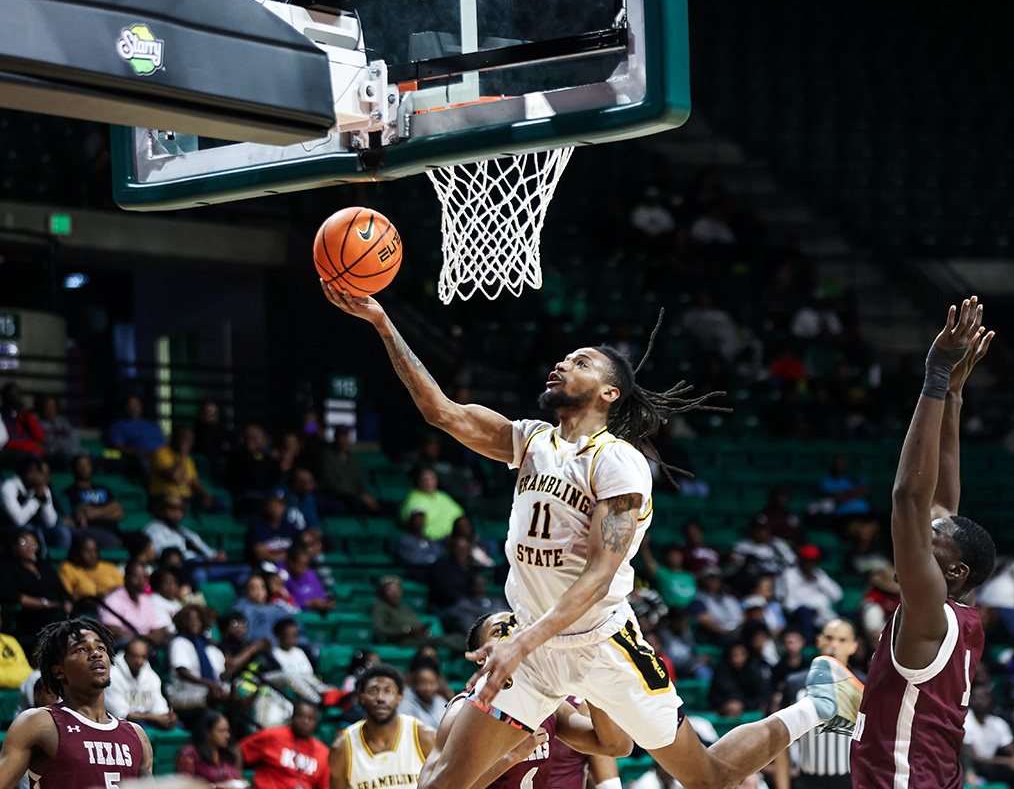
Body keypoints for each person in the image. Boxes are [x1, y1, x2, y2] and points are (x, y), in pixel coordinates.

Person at [323, 286, 862, 789]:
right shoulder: (530, 440)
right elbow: (441, 412)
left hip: (601, 646)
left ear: (609, 392)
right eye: (565, 358)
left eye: (580, 361)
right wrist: (381, 320)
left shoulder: (618, 461)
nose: (562, 362)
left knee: (709, 777)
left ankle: (817, 704)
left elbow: (600, 572)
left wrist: (519, 644)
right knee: (441, 782)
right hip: (532, 646)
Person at [849, 297, 998, 789]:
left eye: (935, 539)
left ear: (953, 572)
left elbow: (909, 497)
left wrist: (935, 376)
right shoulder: (962, 604)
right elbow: (942, 499)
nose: (925, 531)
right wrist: (954, 396)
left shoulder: (927, 614)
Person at [429, 610, 632, 789]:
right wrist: (510, 758)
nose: (512, 635)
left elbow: (616, 746)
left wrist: (589, 677)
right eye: (499, 631)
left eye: (518, 628)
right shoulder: (461, 709)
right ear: (481, 656)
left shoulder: (552, 706)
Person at [0, 617, 153, 789]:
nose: (96, 654)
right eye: (81, 649)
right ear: (59, 671)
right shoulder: (39, 723)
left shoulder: (137, 735)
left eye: (101, 648)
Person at [772, 620, 862, 789]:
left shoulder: (865, 685)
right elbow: (781, 745)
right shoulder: (795, 684)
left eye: (842, 640)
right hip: (808, 781)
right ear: (819, 641)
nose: (834, 645)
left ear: (853, 646)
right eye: (829, 638)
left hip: (851, 783)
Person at [329, 664, 435, 789]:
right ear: (361, 698)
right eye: (373, 691)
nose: (380, 698)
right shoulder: (343, 748)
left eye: (388, 691)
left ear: (399, 697)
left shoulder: (424, 736)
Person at [144, 494, 245, 587]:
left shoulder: (185, 532)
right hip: (187, 568)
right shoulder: (154, 529)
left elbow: (206, 550)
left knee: (244, 571)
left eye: (180, 510)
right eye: (172, 509)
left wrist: (216, 556)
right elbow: (163, 556)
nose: (177, 514)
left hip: (206, 565)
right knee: (198, 573)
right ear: (162, 510)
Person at [0, 531, 73, 636]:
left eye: (33, 544)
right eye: (24, 543)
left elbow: (63, 592)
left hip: (57, 611)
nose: (29, 547)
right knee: (57, 618)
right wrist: (44, 604)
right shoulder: (8, 568)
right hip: (29, 613)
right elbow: (13, 596)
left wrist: (67, 606)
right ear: (14, 547)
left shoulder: (45, 567)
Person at [242, 700, 331, 789]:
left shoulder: (324, 752)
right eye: (301, 716)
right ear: (292, 718)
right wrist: (236, 778)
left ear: (316, 723)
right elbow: (239, 750)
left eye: (310, 718)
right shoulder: (273, 735)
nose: (305, 722)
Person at [103, 637, 178, 730]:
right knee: (139, 726)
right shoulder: (112, 676)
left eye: (143, 657)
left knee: (177, 726)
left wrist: (167, 715)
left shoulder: (150, 675)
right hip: (121, 725)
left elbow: (158, 703)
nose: (139, 661)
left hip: (148, 720)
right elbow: (120, 714)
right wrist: (154, 717)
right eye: (135, 656)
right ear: (126, 655)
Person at [962, 685, 1014, 787]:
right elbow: (973, 757)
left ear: (991, 700)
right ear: (970, 700)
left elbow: (1013, 750)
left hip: (993, 766)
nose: (980, 701)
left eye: (984, 697)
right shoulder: (965, 720)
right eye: (977, 697)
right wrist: (1009, 761)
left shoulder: (998, 723)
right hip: (971, 767)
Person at [0, 455, 68, 549]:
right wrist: (36, 499)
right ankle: (41, 559)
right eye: (32, 471)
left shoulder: (42, 488)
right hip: (8, 528)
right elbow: (19, 520)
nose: (36, 476)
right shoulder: (8, 487)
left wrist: (44, 499)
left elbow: (51, 522)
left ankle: (60, 561)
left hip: (33, 528)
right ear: (22, 473)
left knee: (62, 532)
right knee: (31, 530)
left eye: (38, 472)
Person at [167, 605, 229, 711]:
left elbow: (221, 675)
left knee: (234, 690)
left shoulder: (208, 646)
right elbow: (183, 673)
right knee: (219, 695)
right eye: (189, 620)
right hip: (185, 690)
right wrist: (210, 684)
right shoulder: (179, 642)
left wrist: (229, 671)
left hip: (209, 688)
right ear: (182, 622)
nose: (194, 623)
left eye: (198, 619)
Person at [98, 561, 174, 646]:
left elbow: (155, 629)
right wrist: (147, 637)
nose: (141, 581)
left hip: (147, 646)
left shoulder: (145, 600)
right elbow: (114, 632)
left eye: (144, 577)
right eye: (136, 577)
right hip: (123, 649)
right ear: (126, 578)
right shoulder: (112, 600)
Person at [59, 455, 126, 546]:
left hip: (113, 531)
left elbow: (119, 512)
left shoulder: (103, 488)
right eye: (81, 465)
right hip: (90, 531)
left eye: (87, 465)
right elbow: (82, 515)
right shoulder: (70, 492)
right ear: (74, 469)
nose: (84, 468)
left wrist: (95, 512)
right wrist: (107, 511)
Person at [781, 544, 843, 640]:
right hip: (801, 616)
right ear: (800, 560)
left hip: (822, 616)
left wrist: (819, 581)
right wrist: (810, 609)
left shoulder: (819, 574)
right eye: (806, 561)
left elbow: (837, 595)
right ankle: (808, 643)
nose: (809, 564)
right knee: (805, 613)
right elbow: (789, 605)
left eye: (812, 561)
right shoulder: (790, 575)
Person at [150, 426, 217, 510]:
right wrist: (183, 453)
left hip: (186, 497)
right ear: (176, 439)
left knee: (221, 503)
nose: (190, 442)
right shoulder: (161, 453)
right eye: (186, 439)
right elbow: (174, 477)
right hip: (164, 496)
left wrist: (205, 494)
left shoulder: (188, 459)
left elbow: (194, 483)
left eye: (191, 439)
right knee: (174, 501)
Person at [267, 618, 330, 704]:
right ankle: (319, 701)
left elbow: (309, 674)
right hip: (289, 690)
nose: (294, 638)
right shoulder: (274, 653)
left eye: (296, 635)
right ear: (279, 636)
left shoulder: (299, 652)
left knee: (308, 677)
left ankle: (328, 693)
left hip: (307, 685)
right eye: (290, 635)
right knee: (294, 677)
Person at [319, 425, 379, 514]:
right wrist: (360, 496)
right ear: (336, 437)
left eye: (346, 436)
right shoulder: (327, 455)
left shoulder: (353, 457)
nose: (343, 439)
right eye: (341, 436)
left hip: (354, 496)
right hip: (337, 496)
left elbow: (360, 481)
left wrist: (365, 495)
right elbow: (333, 484)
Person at [106, 394, 165, 476]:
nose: (134, 408)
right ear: (125, 408)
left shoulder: (151, 426)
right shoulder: (119, 425)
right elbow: (118, 447)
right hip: (139, 459)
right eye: (130, 405)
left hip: (161, 456)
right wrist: (142, 453)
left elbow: (164, 445)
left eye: (136, 405)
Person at [399, 468, 465, 541]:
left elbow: (460, 515)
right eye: (425, 479)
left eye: (432, 479)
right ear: (418, 481)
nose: (429, 482)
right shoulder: (414, 499)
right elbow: (416, 523)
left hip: (453, 538)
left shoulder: (443, 496)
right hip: (432, 541)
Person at [59, 535, 124, 606]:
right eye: (87, 551)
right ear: (77, 552)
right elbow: (67, 597)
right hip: (83, 610)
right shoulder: (68, 568)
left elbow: (123, 588)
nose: (93, 554)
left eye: (95, 550)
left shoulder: (109, 567)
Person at [233, 573, 295, 644]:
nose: (259, 592)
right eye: (253, 588)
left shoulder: (275, 609)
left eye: (262, 587)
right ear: (246, 591)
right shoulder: (242, 608)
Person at [0, 382, 46, 467]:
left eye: (17, 394)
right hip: (12, 452)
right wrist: (30, 445)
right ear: (4, 398)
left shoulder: (26, 415)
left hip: (29, 451)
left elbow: (40, 437)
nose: (14, 398)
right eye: (11, 395)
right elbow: (5, 441)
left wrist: (26, 415)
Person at [35, 394, 81, 470]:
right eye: (48, 407)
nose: (51, 410)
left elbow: (74, 441)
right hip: (52, 457)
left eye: (53, 407)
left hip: (72, 455)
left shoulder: (63, 423)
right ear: (41, 408)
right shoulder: (36, 424)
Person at [398, 664, 446, 730]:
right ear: (414, 684)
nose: (428, 687)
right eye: (423, 683)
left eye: (431, 683)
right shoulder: (405, 704)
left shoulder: (441, 702)